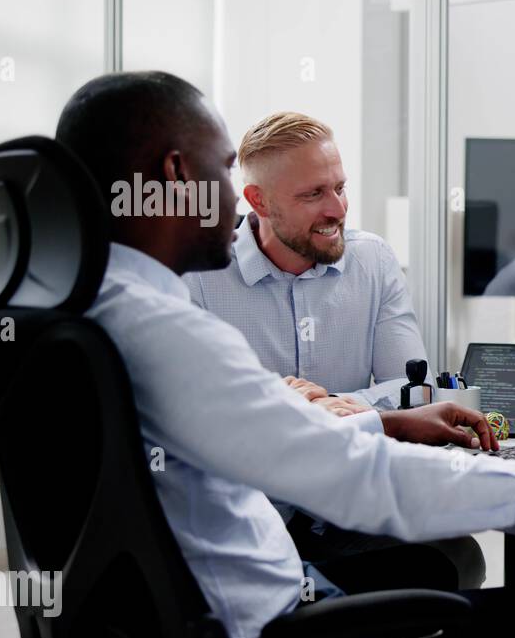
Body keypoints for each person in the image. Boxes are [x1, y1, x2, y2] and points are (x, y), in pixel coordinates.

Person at [56, 71, 515, 638]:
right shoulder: (166, 330)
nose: (232, 199)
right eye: (224, 169)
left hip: (217, 627)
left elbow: (297, 435)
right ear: (176, 176)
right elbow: (360, 477)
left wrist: (373, 416)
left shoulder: (85, 311)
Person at [183, 111, 484, 589]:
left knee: (454, 554)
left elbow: (413, 392)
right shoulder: (198, 276)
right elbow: (204, 418)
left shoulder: (372, 260)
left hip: (346, 507)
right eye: (313, 195)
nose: (338, 209)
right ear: (257, 200)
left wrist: (324, 405)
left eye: (340, 187)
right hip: (251, 520)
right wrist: (300, 405)